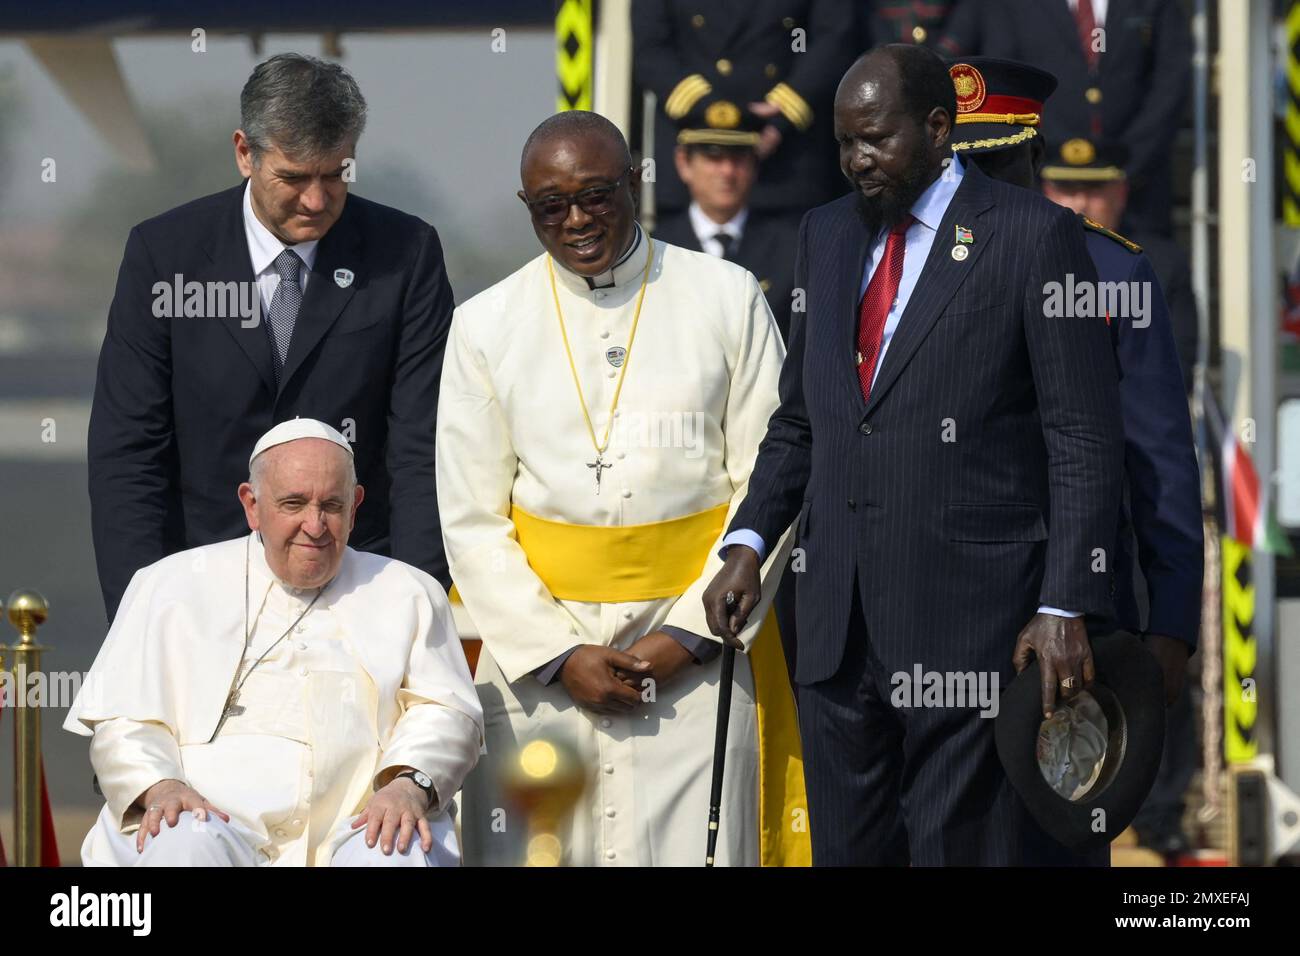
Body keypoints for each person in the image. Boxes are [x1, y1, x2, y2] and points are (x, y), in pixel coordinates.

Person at [704, 45, 1126, 865]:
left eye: (875, 139)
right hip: (836, 626)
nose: (857, 160)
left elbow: (1081, 436)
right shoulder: (824, 236)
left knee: (951, 849)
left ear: (938, 129)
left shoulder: (1032, 238)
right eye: (843, 143)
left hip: (973, 626)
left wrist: (1067, 600)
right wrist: (749, 542)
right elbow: (803, 422)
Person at [438, 110, 806, 866]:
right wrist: (557, 652)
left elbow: (771, 479)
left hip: (699, 648)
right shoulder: (484, 325)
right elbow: (471, 519)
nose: (576, 220)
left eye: (597, 196)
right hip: (540, 664)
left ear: (635, 184)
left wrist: (689, 640)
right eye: (551, 205)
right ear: (527, 207)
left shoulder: (727, 296)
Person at [89, 52, 455, 621]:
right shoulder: (164, 256)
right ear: (244, 153)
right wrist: (141, 616)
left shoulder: (405, 256)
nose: (316, 200)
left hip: (360, 586)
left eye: (335, 175)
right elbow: (129, 453)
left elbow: (423, 450)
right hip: (199, 590)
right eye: (293, 177)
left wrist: (416, 608)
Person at [66, 419, 483, 867]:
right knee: (179, 841)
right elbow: (122, 721)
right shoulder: (169, 585)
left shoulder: (409, 592)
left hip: (355, 828)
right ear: (252, 504)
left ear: (356, 506)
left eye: (332, 505)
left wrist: (407, 786)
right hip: (204, 820)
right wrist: (161, 786)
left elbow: (446, 714)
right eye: (293, 503)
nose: (315, 525)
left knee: (393, 850)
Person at [1035, 128, 1202, 856]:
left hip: (1099, 565)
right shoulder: (899, 258)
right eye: (1064, 187)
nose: (1077, 199)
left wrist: (1173, 621)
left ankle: (1161, 819)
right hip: (944, 606)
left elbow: (1160, 452)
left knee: (1078, 807)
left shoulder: (1125, 272)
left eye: (1093, 185)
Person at [945, 0, 1192, 237]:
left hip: (1138, 193)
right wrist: (1040, 164)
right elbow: (1009, 82)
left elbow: (1171, 81)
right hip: (1044, 184)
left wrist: (1126, 168)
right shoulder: (1012, 4)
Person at [632, 0, 857, 217]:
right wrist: (712, 114)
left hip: (786, 162)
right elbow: (650, 48)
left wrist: (783, 113)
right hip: (693, 157)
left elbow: (834, 37)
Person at [652, 111, 801, 337]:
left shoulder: (792, 249)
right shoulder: (655, 247)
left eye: (738, 158)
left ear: (754, 165)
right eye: (714, 157)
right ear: (684, 163)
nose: (727, 171)